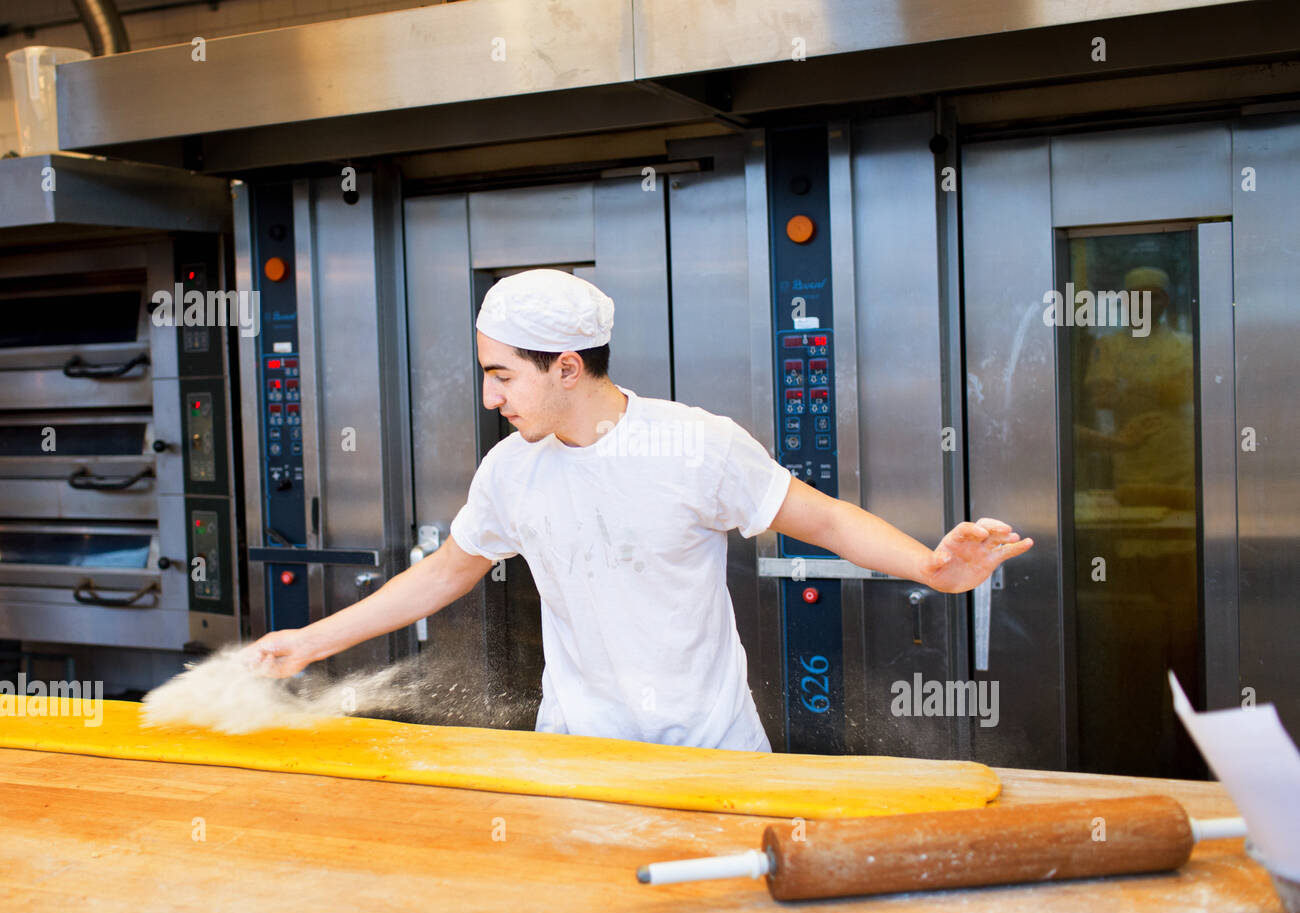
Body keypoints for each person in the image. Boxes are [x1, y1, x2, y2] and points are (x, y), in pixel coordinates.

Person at [245, 269, 1032, 750]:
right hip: (578, 754)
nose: (488, 397)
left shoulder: (695, 445)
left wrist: (934, 567)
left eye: (501, 376)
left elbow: (822, 520)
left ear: (565, 368)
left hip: (710, 753)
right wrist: (313, 641)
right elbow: (448, 570)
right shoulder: (511, 470)